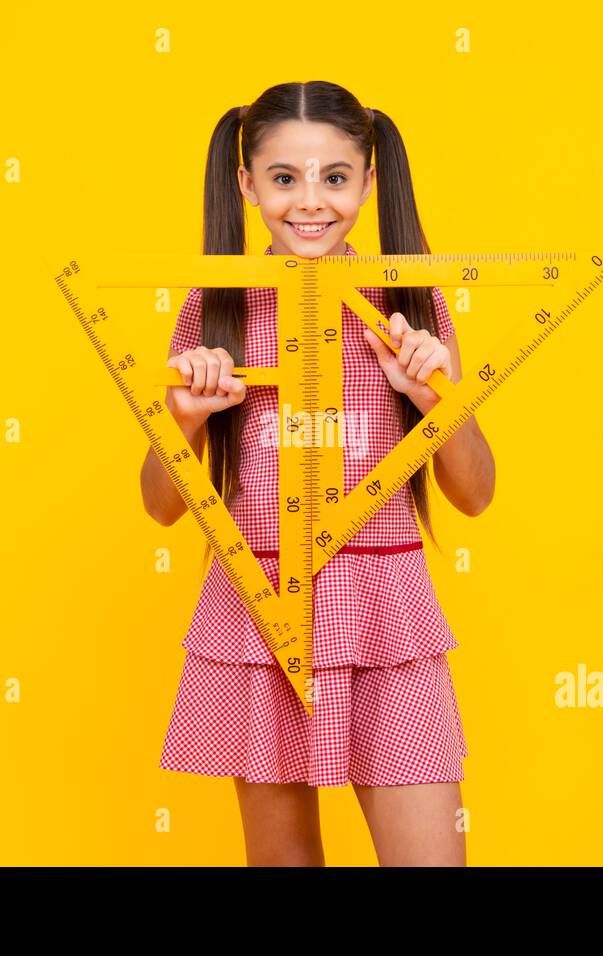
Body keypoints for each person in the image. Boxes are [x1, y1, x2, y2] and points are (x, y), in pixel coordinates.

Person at [139, 80, 496, 866]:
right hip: (257, 609)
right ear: (246, 183)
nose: (311, 202)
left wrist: (435, 398)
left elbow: (474, 494)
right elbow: (162, 505)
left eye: (335, 177)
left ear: (369, 182)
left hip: (387, 609)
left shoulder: (411, 303)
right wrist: (187, 418)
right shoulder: (216, 307)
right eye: (284, 177)